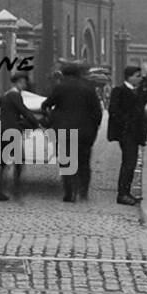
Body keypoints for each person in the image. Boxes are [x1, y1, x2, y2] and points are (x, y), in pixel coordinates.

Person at [43, 61, 102, 202]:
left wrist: (51, 118)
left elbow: (46, 104)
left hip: (65, 130)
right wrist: (94, 128)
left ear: (64, 73)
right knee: (84, 161)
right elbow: (97, 112)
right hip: (85, 132)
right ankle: (83, 191)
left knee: (66, 161)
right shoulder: (89, 87)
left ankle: (69, 192)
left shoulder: (60, 87)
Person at [0, 70, 42, 202]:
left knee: (2, 162)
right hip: (13, 132)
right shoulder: (15, 96)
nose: (25, 86)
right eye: (23, 83)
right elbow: (24, 111)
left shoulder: (5, 95)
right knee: (19, 161)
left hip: (3, 131)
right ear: (19, 83)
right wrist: (36, 123)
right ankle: (15, 188)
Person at [107, 65, 147, 205]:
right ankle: (122, 194)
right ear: (129, 77)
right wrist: (127, 124)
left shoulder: (138, 92)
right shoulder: (119, 91)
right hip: (127, 133)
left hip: (135, 134)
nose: (140, 79)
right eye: (137, 76)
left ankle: (126, 192)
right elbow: (114, 110)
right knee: (128, 163)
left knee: (131, 162)